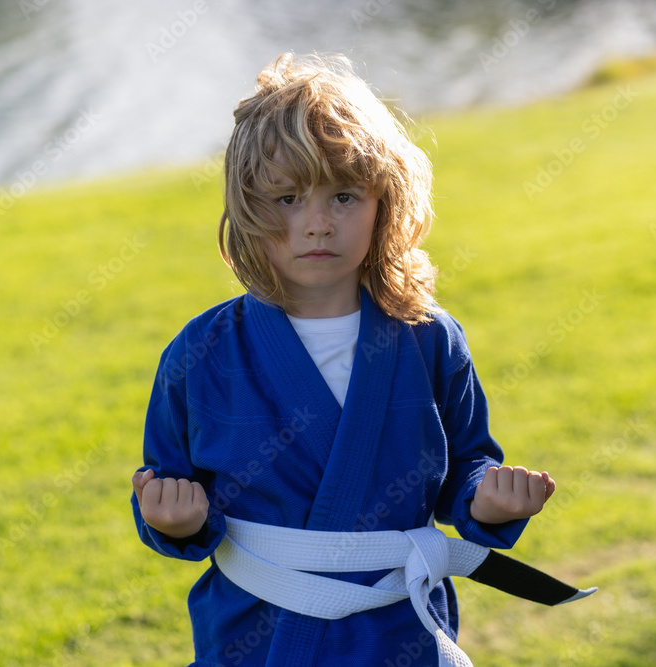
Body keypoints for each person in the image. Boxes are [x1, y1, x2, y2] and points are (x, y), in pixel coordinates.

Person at [131, 52, 559, 666]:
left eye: (344, 197)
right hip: (255, 633)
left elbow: (467, 463)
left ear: (386, 201)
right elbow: (169, 483)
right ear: (247, 207)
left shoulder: (429, 339)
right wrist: (172, 519)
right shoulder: (201, 355)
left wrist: (487, 501)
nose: (317, 225)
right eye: (286, 198)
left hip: (396, 632)